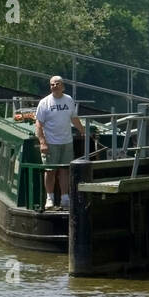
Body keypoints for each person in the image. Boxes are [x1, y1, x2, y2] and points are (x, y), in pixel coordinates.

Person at [34, 75, 86, 210]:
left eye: (57, 84)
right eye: (52, 84)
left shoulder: (68, 100)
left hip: (67, 141)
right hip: (51, 142)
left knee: (64, 170)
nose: (54, 86)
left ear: (63, 86)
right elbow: (38, 124)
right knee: (50, 171)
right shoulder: (44, 103)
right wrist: (42, 142)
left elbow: (73, 118)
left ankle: (64, 198)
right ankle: (49, 198)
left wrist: (82, 130)